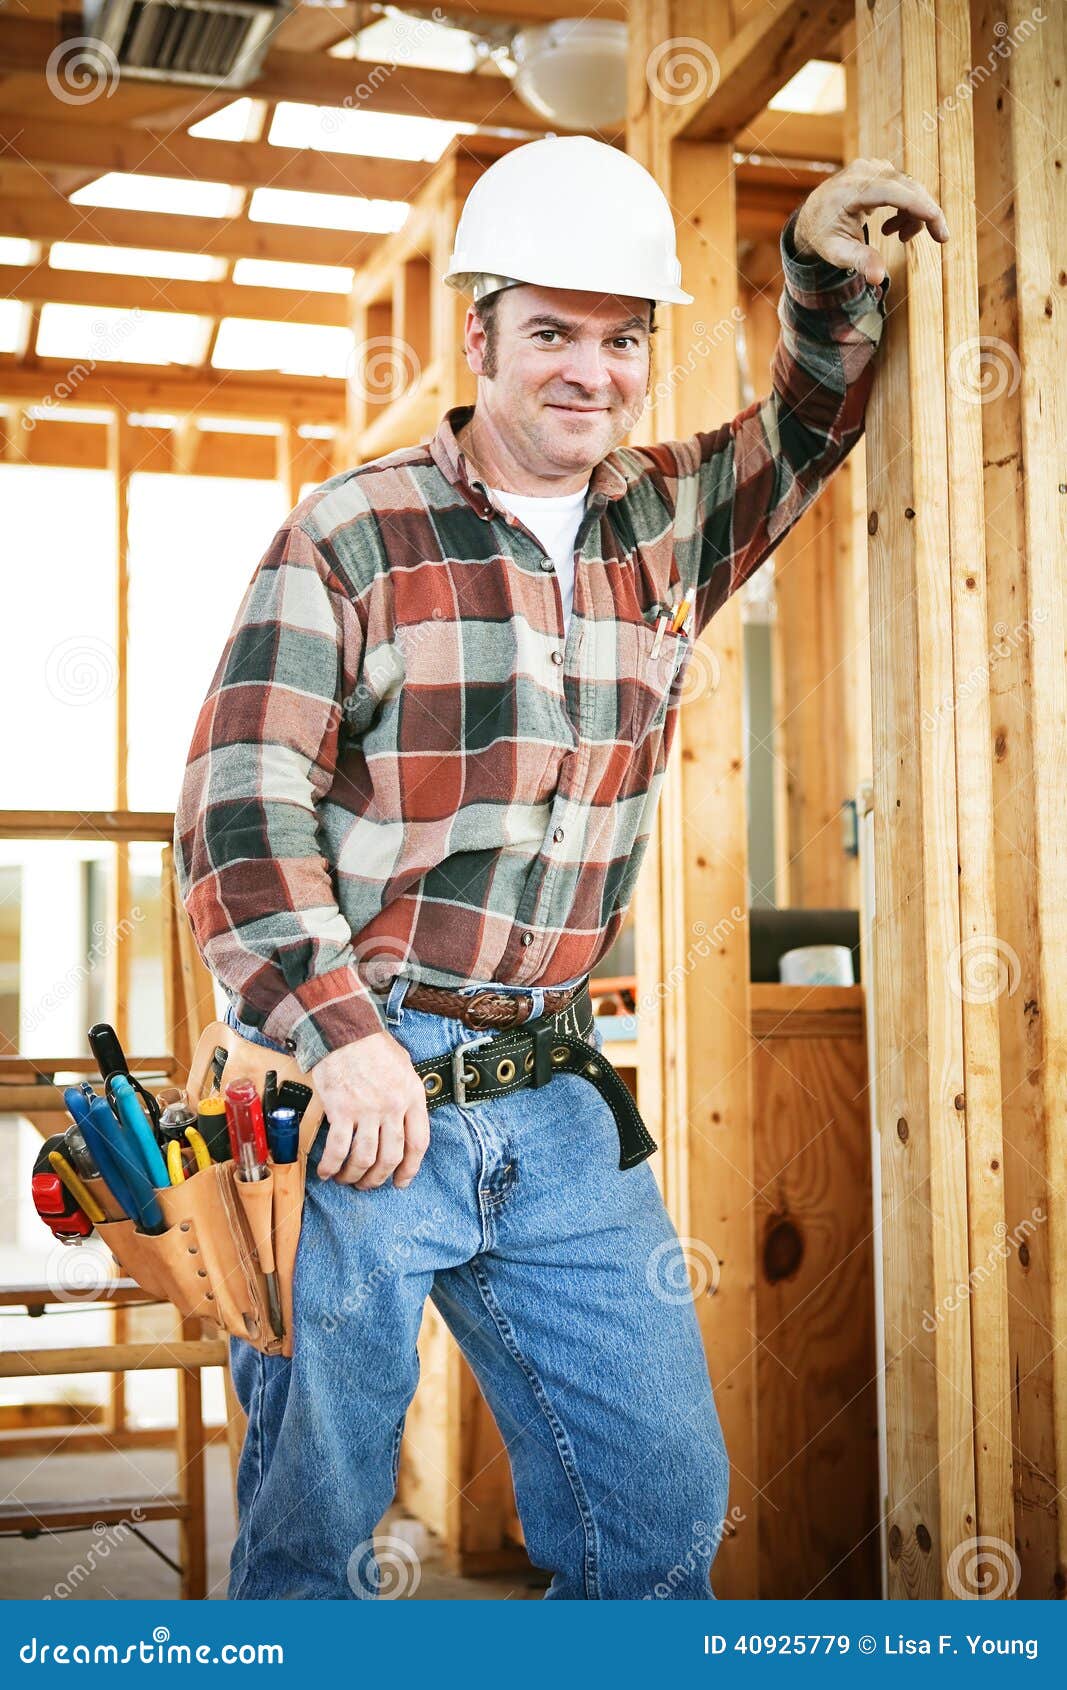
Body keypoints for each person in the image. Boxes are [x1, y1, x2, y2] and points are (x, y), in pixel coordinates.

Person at [173, 136, 948, 1600]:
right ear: (480, 342)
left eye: (622, 340)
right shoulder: (350, 534)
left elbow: (808, 423)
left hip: (558, 1094)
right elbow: (237, 813)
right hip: (351, 1096)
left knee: (660, 1510)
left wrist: (823, 267)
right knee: (310, 1539)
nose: (590, 373)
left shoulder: (664, 520)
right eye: (551, 334)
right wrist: (344, 1041)